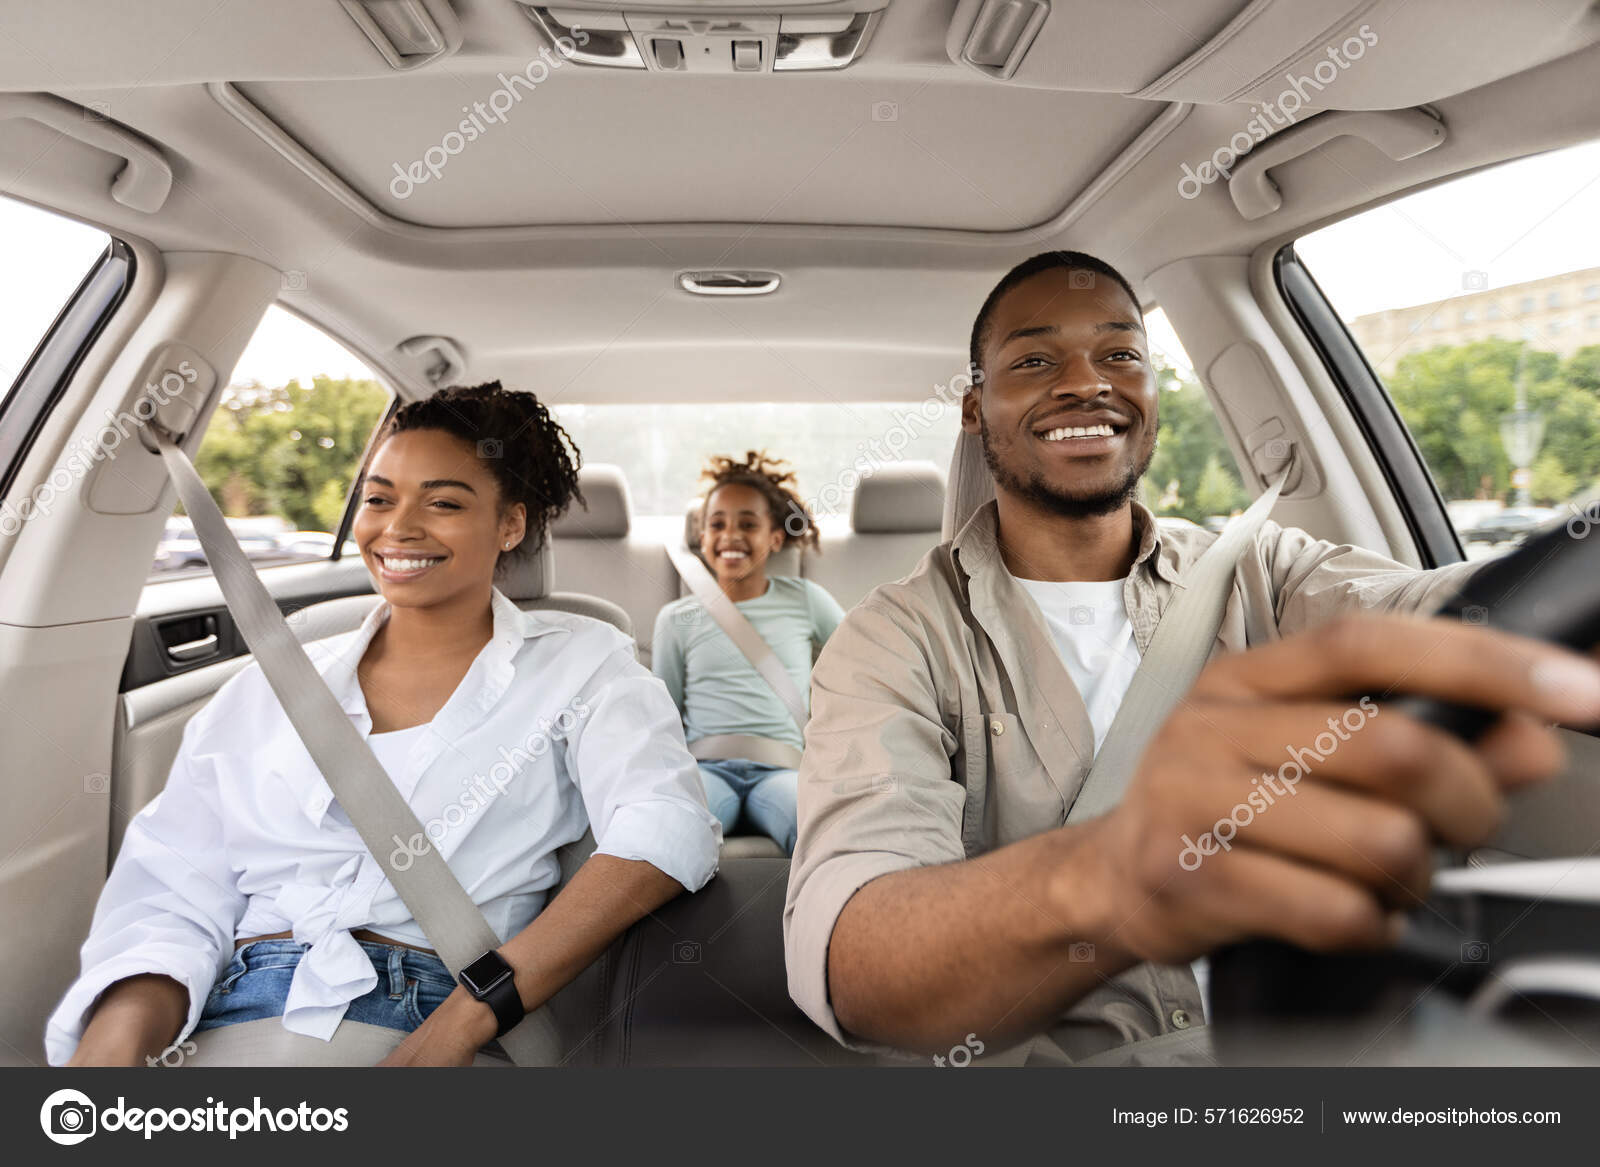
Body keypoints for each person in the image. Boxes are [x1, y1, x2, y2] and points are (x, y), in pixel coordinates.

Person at [782, 250, 1600, 1064]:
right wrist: (1114, 869)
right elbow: (858, 957)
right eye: (1034, 359)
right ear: (973, 407)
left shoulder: (1263, 570)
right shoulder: (892, 639)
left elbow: (1455, 613)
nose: (1086, 382)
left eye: (1121, 354)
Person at [49, 382, 721, 1067]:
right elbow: (173, 889)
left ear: (510, 524)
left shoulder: (582, 662)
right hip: (228, 1017)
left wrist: (468, 1016)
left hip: (439, 1009)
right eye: (378, 498)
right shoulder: (270, 685)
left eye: (444, 501)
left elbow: (664, 825)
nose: (398, 525)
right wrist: (111, 1052)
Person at [652, 452, 845, 855]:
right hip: (705, 769)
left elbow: (860, 663)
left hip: (782, 769)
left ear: (775, 537)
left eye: (748, 524)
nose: (730, 535)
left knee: (817, 828)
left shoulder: (807, 601)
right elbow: (664, 715)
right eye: (717, 524)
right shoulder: (676, 619)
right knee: (675, 829)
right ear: (702, 538)